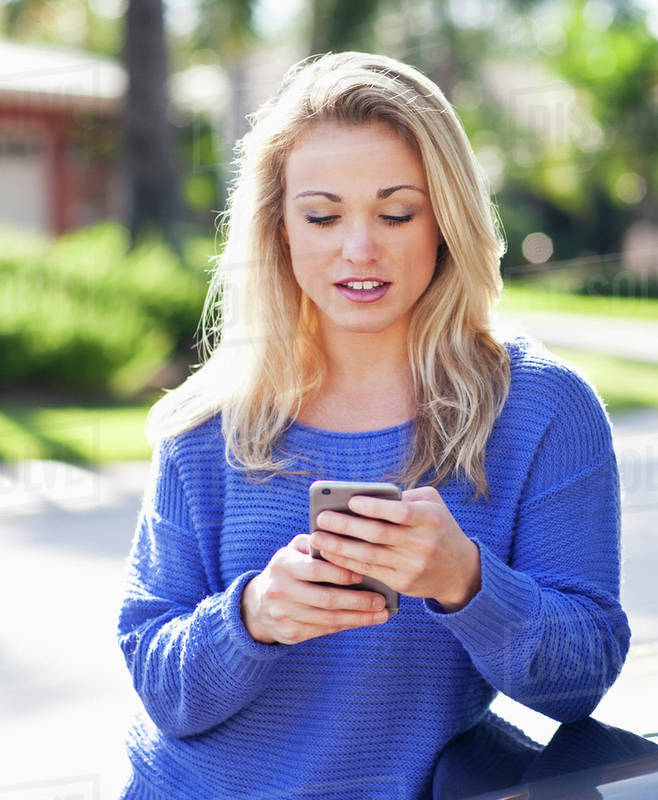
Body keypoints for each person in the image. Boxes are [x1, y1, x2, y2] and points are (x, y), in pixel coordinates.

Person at [115, 51, 630, 799]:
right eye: (322, 215)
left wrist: (467, 582)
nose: (360, 249)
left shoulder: (544, 410)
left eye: (396, 213)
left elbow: (580, 682)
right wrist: (252, 617)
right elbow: (158, 684)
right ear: (280, 229)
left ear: (446, 221)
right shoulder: (210, 422)